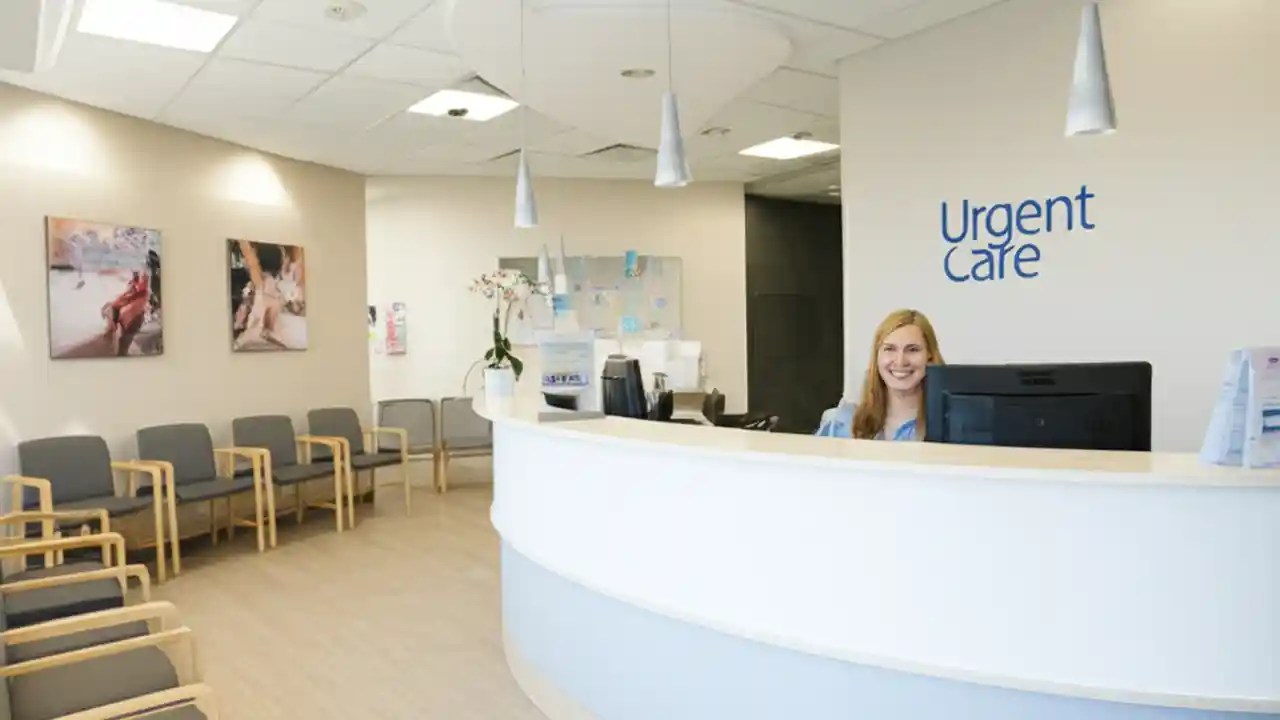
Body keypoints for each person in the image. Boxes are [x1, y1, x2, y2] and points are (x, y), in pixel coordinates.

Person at [815, 309, 945, 440]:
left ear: (930, 355)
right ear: (877, 356)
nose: (900, 361)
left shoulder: (952, 428)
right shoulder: (841, 423)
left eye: (912, 350)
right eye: (890, 349)